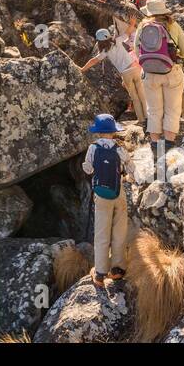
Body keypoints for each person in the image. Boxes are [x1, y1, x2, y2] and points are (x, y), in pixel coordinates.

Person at [133, 0, 184, 147]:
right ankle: (168, 141)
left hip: (149, 74)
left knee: (154, 108)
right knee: (173, 107)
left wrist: (150, 62)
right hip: (171, 71)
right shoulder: (173, 25)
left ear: (148, 12)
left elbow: (136, 51)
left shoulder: (142, 26)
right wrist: (174, 55)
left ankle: (154, 142)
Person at [81, 113, 129, 285]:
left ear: (98, 132)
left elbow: (87, 169)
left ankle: (100, 273)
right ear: (113, 131)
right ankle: (118, 269)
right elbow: (130, 166)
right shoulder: (119, 148)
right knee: (119, 231)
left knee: (102, 233)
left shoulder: (93, 148)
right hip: (119, 192)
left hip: (101, 195)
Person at [80, 20, 147, 123]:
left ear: (99, 41)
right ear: (109, 36)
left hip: (125, 73)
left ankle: (141, 120)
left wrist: (82, 69)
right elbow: (127, 33)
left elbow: (93, 61)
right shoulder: (117, 41)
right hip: (135, 67)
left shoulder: (104, 52)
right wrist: (132, 23)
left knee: (134, 97)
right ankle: (148, 117)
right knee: (142, 94)